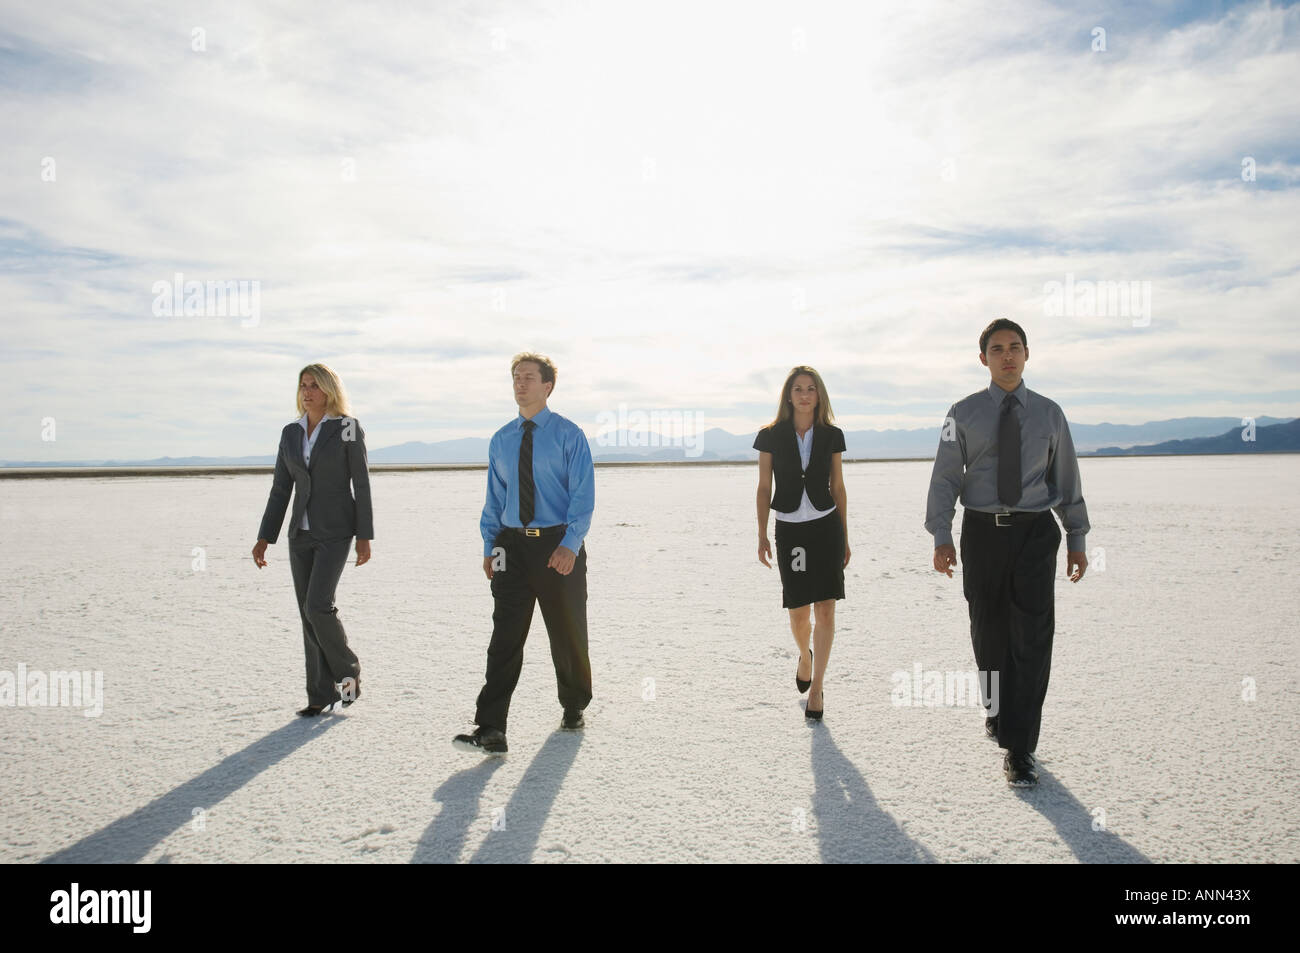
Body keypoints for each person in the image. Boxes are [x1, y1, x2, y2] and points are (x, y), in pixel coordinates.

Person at [925, 319, 1089, 787]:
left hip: (1035, 534)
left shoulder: (1049, 413)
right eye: (997, 349)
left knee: (1032, 638)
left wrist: (1075, 536)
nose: (1007, 356)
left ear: (1027, 354)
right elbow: (945, 478)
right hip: (982, 533)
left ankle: (1020, 749)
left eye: (1015, 347)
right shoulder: (963, 412)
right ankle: (996, 708)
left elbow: (1066, 479)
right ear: (984, 359)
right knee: (989, 632)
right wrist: (942, 533)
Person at [453, 352, 595, 755]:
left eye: (529, 377)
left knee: (567, 635)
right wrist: (489, 546)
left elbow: (583, 497)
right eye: (516, 377)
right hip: (511, 547)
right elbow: (495, 498)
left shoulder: (569, 435)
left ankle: (573, 705)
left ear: (548, 385)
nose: (520, 383)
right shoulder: (501, 439)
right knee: (504, 637)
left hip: (557, 546)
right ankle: (491, 727)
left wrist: (570, 544)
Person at [253, 363, 373, 717]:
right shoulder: (290, 433)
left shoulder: (348, 428)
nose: (307, 392)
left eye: (314, 386)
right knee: (307, 615)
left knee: (317, 606)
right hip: (299, 534)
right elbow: (280, 488)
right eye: (303, 385)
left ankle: (348, 674)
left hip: (336, 531)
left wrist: (364, 536)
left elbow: (361, 484)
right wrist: (265, 537)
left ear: (329, 390)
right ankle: (319, 695)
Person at [754, 365, 850, 721]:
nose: (805, 395)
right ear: (788, 395)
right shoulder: (770, 435)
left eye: (811, 388)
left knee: (825, 609)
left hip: (826, 528)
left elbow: (838, 487)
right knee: (798, 612)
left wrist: (845, 535)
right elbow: (764, 487)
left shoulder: (832, 435)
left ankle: (817, 688)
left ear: (819, 395)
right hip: (790, 530)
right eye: (798, 389)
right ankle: (805, 656)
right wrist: (762, 533)